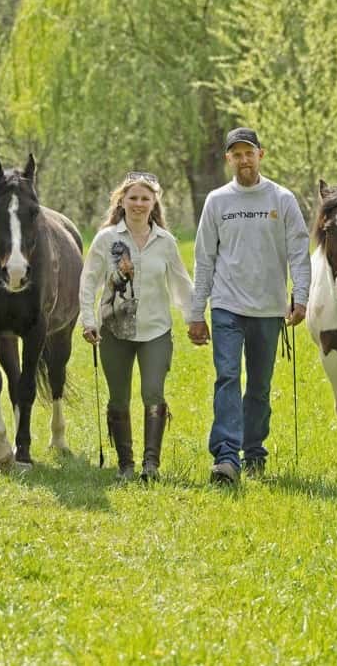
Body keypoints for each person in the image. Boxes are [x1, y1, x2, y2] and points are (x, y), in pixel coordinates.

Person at [185, 128, 310, 485]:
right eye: (236, 154)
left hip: (270, 308)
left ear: (261, 155)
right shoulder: (217, 201)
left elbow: (300, 251)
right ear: (228, 159)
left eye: (249, 153)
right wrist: (197, 314)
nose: (244, 160)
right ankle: (226, 457)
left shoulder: (281, 199)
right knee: (227, 378)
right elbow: (204, 259)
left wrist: (300, 296)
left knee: (259, 385)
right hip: (227, 305)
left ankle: (254, 451)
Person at [79, 171, 193, 481]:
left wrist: (194, 319)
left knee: (153, 392)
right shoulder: (107, 239)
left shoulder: (165, 242)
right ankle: (126, 465)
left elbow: (181, 283)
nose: (139, 204)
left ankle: (150, 465)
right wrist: (88, 321)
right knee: (118, 397)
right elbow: (89, 281)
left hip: (155, 331)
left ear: (154, 202)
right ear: (122, 201)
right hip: (114, 331)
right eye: (133, 198)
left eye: (145, 198)